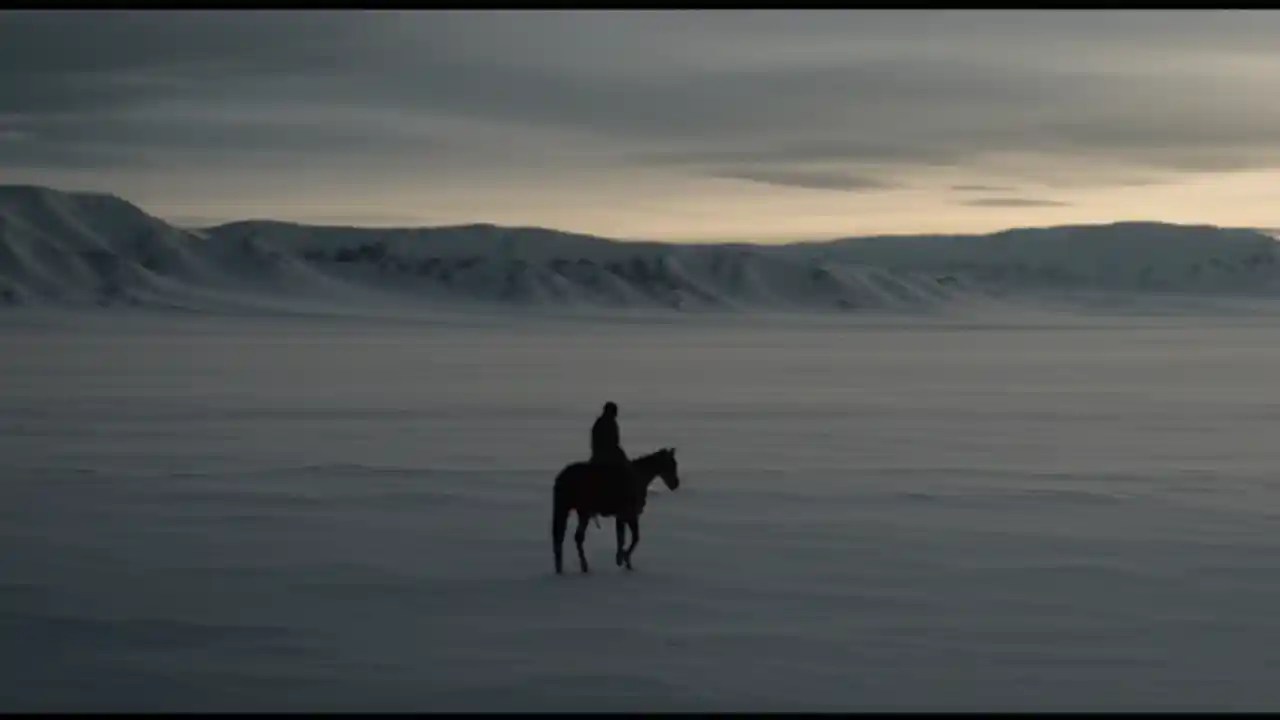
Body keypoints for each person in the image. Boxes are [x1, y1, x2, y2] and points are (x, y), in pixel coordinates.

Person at [590, 401, 639, 511]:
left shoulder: (600, 422)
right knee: (626, 471)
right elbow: (613, 442)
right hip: (606, 455)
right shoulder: (608, 423)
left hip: (599, 454)